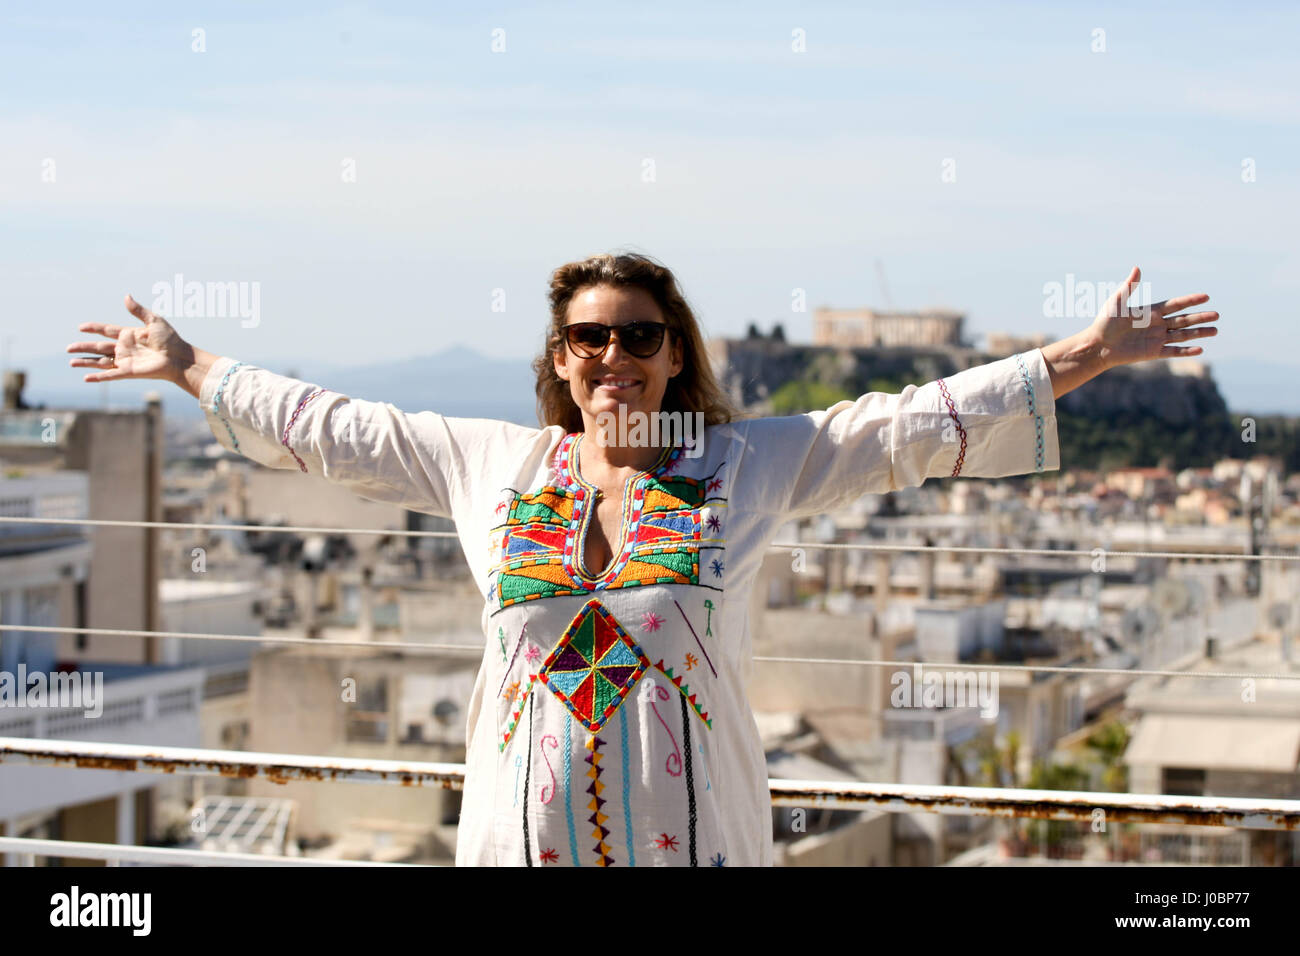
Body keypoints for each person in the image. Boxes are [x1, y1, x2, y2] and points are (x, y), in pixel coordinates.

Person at [66, 253, 1218, 866]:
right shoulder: (494, 465)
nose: (612, 353)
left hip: (696, 839)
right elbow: (335, 425)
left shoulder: (743, 463)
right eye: (588, 335)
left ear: (675, 355)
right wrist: (189, 363)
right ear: (560, 358)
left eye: (638, 334)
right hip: (516, 845)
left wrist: (1084, 353)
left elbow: (903, 425)